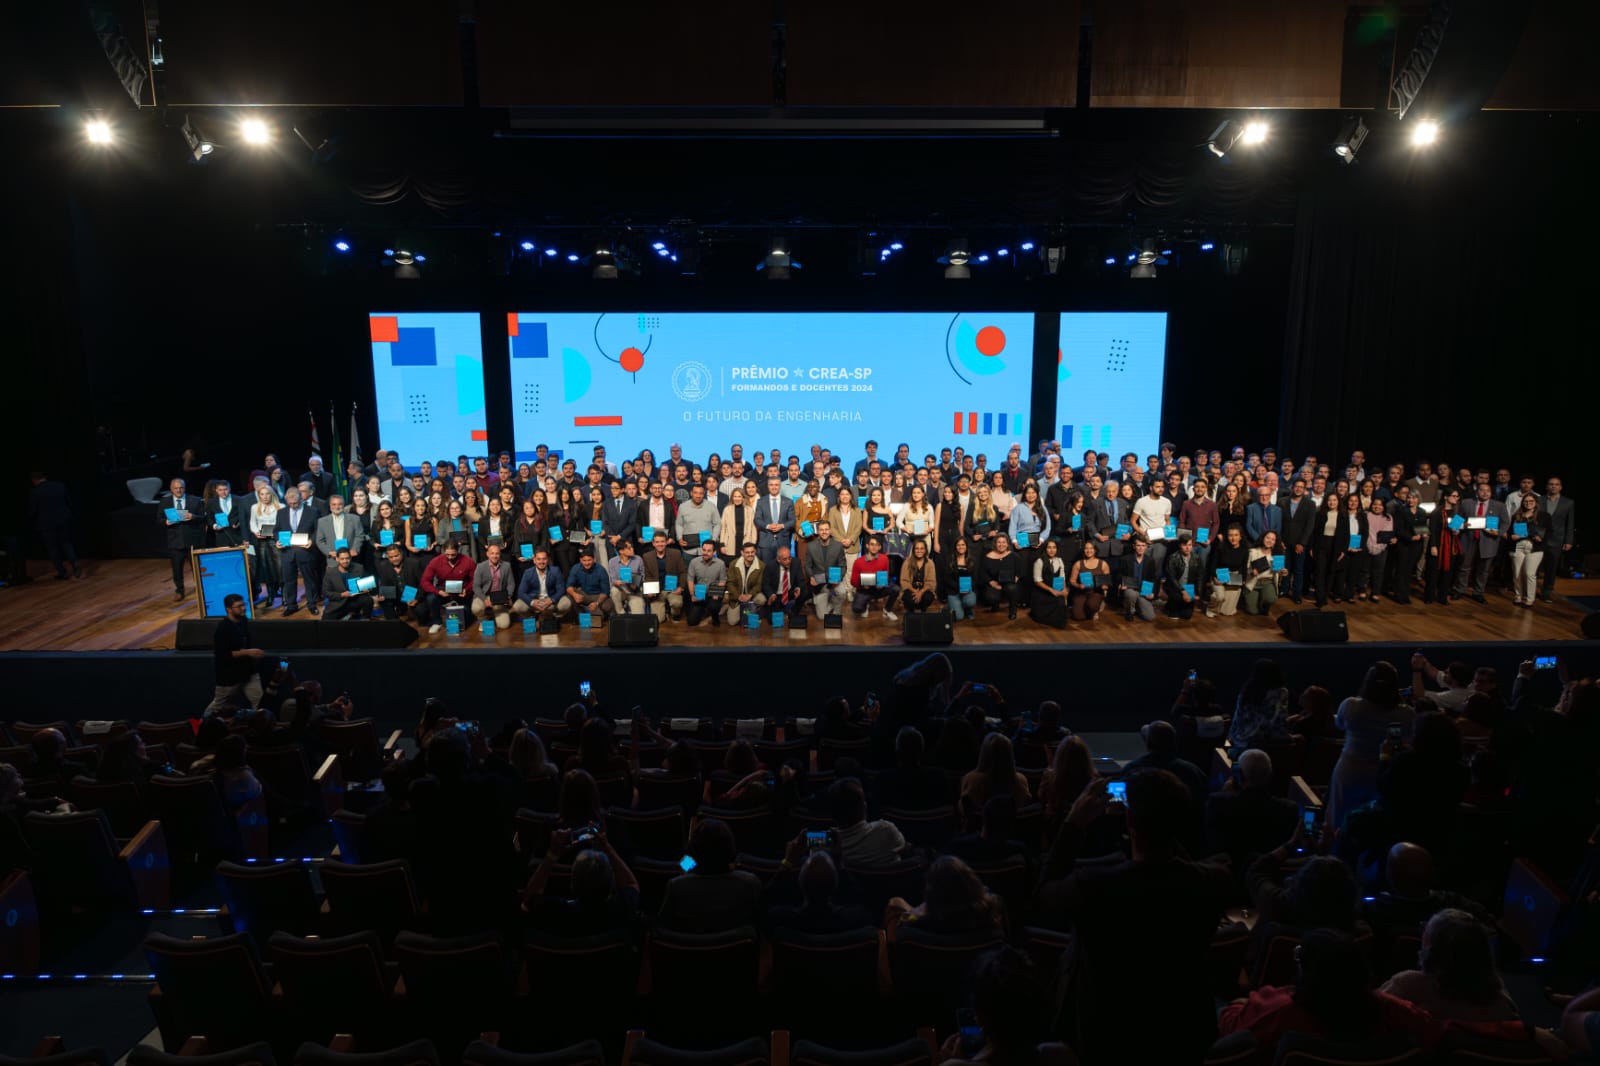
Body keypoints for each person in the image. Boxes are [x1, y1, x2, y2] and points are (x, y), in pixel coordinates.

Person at [1037, 771, 1233, 1064]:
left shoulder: (1093, 887)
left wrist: (1074, 824)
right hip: (1182, 1031)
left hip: (1105, 1036)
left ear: (1129, 820)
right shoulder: (1215, 882)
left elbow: (1043, 893)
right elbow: (1181, 869)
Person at [1218, 930, 1434, 1059]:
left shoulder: (1281, 1011)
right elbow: (1433, 1033)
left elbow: (1232, 1027)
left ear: (1306, 970)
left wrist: (1237, 1005)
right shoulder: (1393, 1010)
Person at [1326, 661, 1412, 826]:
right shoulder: (1407, 714)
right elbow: (1403, 738)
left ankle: (1333, 849)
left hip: (1350, 770)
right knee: (1375, 822)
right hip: (1383, 773)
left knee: (1338, 816)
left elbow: (1339, 725)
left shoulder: (1351, 706)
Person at [657, 817, 762, 934]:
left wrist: (687, 860)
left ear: (693, 852)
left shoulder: (676, 886)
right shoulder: (750, 883)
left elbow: (663, 925)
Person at [829, 777, 907, 869]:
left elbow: (808, 839)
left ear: (832, 813)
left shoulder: (823, 840)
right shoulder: (886, 829)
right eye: (863, 801)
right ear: (863, 807)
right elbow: (905, 848)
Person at [207, 593, 266, 714]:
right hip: (230, 675)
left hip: (248, 671)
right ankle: (203, 726)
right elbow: (223, 655)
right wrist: (248, 652)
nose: (243, 608)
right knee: (217, 706)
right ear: (228, 609)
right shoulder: (223, 628)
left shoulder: (243, 620)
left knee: (260, 702)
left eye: (244, 604)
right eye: (239, 606)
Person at [1453, 482, 1506, 603]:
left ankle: (1478, 592)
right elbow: (1458, 518)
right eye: (1482, 490)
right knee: (1464, 567)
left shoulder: (1499, 506)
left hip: (1488, 541)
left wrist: (1498, 532)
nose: (1485, 493)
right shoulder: (1467, 503)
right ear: (1477, 491)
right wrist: (1458, 527)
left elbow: (1505, 522)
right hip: (1468, 539)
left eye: (1488, 491)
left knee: (1483, 570)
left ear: (1491, 493)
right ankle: (1459, 590)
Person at [274, 487, 321, 615]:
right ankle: (291, 605)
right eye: (290, 503)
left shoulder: (312, 511)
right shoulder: (281, 512)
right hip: (287, 552)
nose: (293, 506)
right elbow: (276, 530)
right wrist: (277, 540)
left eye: (295, 503)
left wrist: (312, 540)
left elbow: (318, 530)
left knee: (309, 579)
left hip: (305, 551)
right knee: (289, 580)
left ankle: (312, 604)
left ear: (301, 499)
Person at [27, 472, 81, 581]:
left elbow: (32, 511)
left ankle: (62, 572)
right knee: (66, 543)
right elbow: (69, 501)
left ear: (34, 480)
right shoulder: (59, 485)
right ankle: (75, 563)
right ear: (45, 477)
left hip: (46, 524)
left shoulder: (35, 492)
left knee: (53, 548)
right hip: (63, 519)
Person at [1230, 659, 1290, 751]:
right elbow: (1278, 719)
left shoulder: (1246, 691)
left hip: (1243, 741)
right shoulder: (1281, 692)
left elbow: (1237, 717)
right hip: (1269, 742)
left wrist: (1233, 738)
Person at [419, 538, 476, 634]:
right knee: (431, 598)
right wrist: (437, 592)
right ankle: (437, 622)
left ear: (458, 551)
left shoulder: (468, 561)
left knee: (466, 620)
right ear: (443, 551)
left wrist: (467, 590)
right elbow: (424, 581)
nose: (450, 557)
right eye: (447, 554)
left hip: (462, 592)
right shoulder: (435, 561)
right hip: (443, 591)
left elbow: (475, 580)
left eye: (453, 554)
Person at [161, 477, 204, 599]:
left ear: (184, 488)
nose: (179, 490)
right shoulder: (165, 502)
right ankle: (179, 590)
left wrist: (193, 516)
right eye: (176, 488)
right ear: (171, 489)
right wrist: (166, 522)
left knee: (197, 568)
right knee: (177, 568)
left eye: (181, 488)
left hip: (192, 541)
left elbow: (203, 517)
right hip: (175, 541)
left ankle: (201, 589)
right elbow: (159, 519)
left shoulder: (195, 500)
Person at [1506, 490, 1549, 608]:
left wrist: (1541, 538)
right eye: (1525, 501)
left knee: (1529, 573)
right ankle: (1518, 596)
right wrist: (1512, 536)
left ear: (1536, 502)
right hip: (1518, 546)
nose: (1528, 503)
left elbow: (1549, 533)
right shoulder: (1517, 515)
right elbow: (1510, 532)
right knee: (1517, 573)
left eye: (1531, 501)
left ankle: (1530, 598)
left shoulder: (1543, 516)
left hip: (1534, 547)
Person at [803, 519, 850, 620]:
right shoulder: (811, 546)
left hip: (834, 580)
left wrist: (839, 578)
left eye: (826, 529)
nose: (824, 532)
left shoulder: (838, 546)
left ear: (830, 531)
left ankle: (836, 610)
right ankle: (826, 600)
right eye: (821, 530)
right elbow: (807, 565)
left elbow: (843, 565)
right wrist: (811, 577)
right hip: (819, 582)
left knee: (842, 592)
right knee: (821, 617)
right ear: (818, 531)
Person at [1424, 488, 1463, 604]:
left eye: (1457, 497)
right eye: (1454, 496)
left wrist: (1457, 531)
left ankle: (1442, 597)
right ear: (1446, 497)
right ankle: (1429, 597)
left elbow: (1458, 527)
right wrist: (1433, 546)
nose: (1456, 498)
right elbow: (1432, 530)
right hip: (1439, 544)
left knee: (1448, 572)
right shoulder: (1437, 512)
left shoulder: (1458, 512)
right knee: (1434, 571)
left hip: (1451, 545)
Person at [1539, 476, 1575, 602]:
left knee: (1551, 567)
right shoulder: (1539, 499)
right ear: (1547, 486)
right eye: (1551, 484)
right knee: (1534, 566)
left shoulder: (1568, 502)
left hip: (1557, 539)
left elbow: (1570, 523)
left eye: (1556, 484)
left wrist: (1568, 540)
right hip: (1539, 538)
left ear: (1560, 487)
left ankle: (1547, 592)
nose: (1553, 486)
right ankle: (1529, 590)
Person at [513, 547, 569, 624]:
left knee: (566, 603)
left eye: (544, 559)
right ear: (534, 560)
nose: (541, 562)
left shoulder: (555, 570)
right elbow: (521, 592)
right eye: (538, 559)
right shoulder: (528, 573)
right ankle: (533, 617)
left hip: (550, 602)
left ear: (548, 560)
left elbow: (561, 589)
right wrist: (532, 602)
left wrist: (551, 600)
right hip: (535, 602)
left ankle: (554, 618)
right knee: (517, 606)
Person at [1205, 524, 1250, 618]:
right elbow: (1212, 565)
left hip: (1234, 578)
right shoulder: (1220, 548)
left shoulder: (1245, 550)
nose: (1233, 538)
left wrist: (1243, 580)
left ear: (1241, 536)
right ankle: (1210, 607)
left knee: (1227, 612)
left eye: (1236, 535)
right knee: (1220, 597)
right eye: (1230, 535)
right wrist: (1215, 577)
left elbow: (1244, 566)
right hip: (1220, 575)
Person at [850, 534, 898, 620]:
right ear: (867, 546)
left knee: (896, 589)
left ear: (880, 547)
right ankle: (865, 605)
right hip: (865, 590)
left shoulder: (884, 559)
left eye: (877, 545)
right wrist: (862, 585)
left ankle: (887, 610)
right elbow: (853, 581)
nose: (874, 547)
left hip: (879, 588)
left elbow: (885, 575)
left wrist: (882, 584)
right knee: (856, 609)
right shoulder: (858, 562)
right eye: (872, 544)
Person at [979, 532, 1025, 619]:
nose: (1001, 544)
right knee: (990, 596)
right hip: (994, 583)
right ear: (995, 544)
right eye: (999, 542)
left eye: (1004, 542)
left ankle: (1013, 610)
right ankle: (995, 605)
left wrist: (1016, 577)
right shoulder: (987, 557)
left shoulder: (1014, 556)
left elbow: (1020, 570)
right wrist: (991, 582)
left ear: (1007, 543)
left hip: (1010, 583)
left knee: (1013, 589)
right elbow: (982, 573)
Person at [322, 547, 375, 621]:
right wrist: (342, 595)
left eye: (347, 558)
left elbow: (369, 585)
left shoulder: (359, 568)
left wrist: (367, 589)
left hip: (355, 600)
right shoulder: (330, 573)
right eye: (342, 559)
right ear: (337, 559)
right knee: (325, 621)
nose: (345, 561)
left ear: (350, 558)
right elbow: (326, 593)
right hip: (339, 603)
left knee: (368, 600)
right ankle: (348, 614)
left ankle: (365, 619)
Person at [373, 542, 421, 621]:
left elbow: (422, 584)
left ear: (401, 553)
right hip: (396, 595)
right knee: (383, 601)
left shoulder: (414, 563)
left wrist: (417, 599)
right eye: (391, 557)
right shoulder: (384, 566)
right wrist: (381, 595)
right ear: (387, 557)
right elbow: (384, 584)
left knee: (421, 612)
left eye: (396, 555)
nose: (394, 559)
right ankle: (394, 622)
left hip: (413, 595)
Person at [471, 541, 515, 629]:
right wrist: (484, 599)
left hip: (500, 596)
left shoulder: (507, 566)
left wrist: (508, 596)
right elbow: (476, 586)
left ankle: (494, 614)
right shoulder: (480, 567)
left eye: (497, 553)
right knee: (476, 608)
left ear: (500, 554)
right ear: (487, 554)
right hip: (485, 596)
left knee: (504, 625)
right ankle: (483, 619)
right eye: (492, 553)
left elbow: (511, 584)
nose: (495, 556)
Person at [1240, 529, 1285, 615]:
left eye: (1273, 539)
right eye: (1267, 538)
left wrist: (1283, 572)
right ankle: (1253, 598)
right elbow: (1245, 569)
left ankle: (1263, 601)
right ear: (1263, 538)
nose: (1269, 541)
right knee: (1252, 611)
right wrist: (1251, 572)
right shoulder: (1253, 552)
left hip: (1268, 582)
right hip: (1253, 582)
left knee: (1271, 598)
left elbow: (1278, 572)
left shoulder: (1277, 554)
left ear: (1275, 542)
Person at [684, 539, 726, 626]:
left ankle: (715, 617)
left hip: (713, 593)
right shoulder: (694, 562)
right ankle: (704, 610)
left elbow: (723, 580)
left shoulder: (721, 564)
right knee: (691, 622)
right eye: (704, 550)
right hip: (699, 593)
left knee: (714, 607)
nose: (705, 552)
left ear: (714, 552)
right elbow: (690, 579)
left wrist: (717, 593)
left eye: (709, 551)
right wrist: (692, 595)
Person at [1030, 536, 1069, 628]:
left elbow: (1062, 577)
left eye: (1054, 547)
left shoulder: (1059, 561)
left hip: (1056, 589)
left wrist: (1064, 589)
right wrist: (1052, 591)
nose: (1052, 550)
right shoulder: (1039, 561)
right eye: (1049, 547)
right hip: (1042, 591)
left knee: (1060, 601)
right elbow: (1037, 581)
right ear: (1045, 549)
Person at [756, 476, 794, 567]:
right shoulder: (761, 501)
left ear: (780, 486)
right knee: (766, 568)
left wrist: (782, 526)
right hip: (766, 541)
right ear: (768, 486)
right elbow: (757, 519)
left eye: (776, 485)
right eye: (771, 485)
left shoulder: (788, 502)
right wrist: (768, 526)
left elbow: (792, 520)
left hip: (783, 540)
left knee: (783, 568)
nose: (774, 487)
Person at [1163, 532, 1201, 620]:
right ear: (1180, 545)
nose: (1188, 548)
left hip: (1189, 588)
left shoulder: (1196, 558)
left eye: (1190, 545)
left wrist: (1197, 592)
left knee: (1187, 615)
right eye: (1185, 545)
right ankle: (1170, 605)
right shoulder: (1173, 558)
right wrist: (1183, 591)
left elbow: (1199, 577)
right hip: (1176, 587)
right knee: (1174, 614)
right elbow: (1171, 578)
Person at [898, 537, 939, 614]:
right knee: (908, 598)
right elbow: (903, 581)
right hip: (910, 588)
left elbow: (932, 582)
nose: (919, 551)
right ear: (913, 550)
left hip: (924, 588)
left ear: (925, 550)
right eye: (917, 548)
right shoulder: (907, 562)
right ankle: (910, 614)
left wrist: (921, 592)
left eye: (922, 548)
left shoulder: (930, 563)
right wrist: (915, 591)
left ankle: (923, 613)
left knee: (928, 597)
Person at [608, 538, 646, 615]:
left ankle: (630, 606)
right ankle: (621, 613)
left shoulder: (638, 559)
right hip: (621, 590)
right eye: (629, 548)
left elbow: (643, 575)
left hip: (635, 591)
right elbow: (613, 579)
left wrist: (636, 583)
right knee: (614, 591)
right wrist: (617, 582)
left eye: (632, 547)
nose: (632, 549)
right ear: (621, 551)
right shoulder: (612, 561)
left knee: (639, 616)